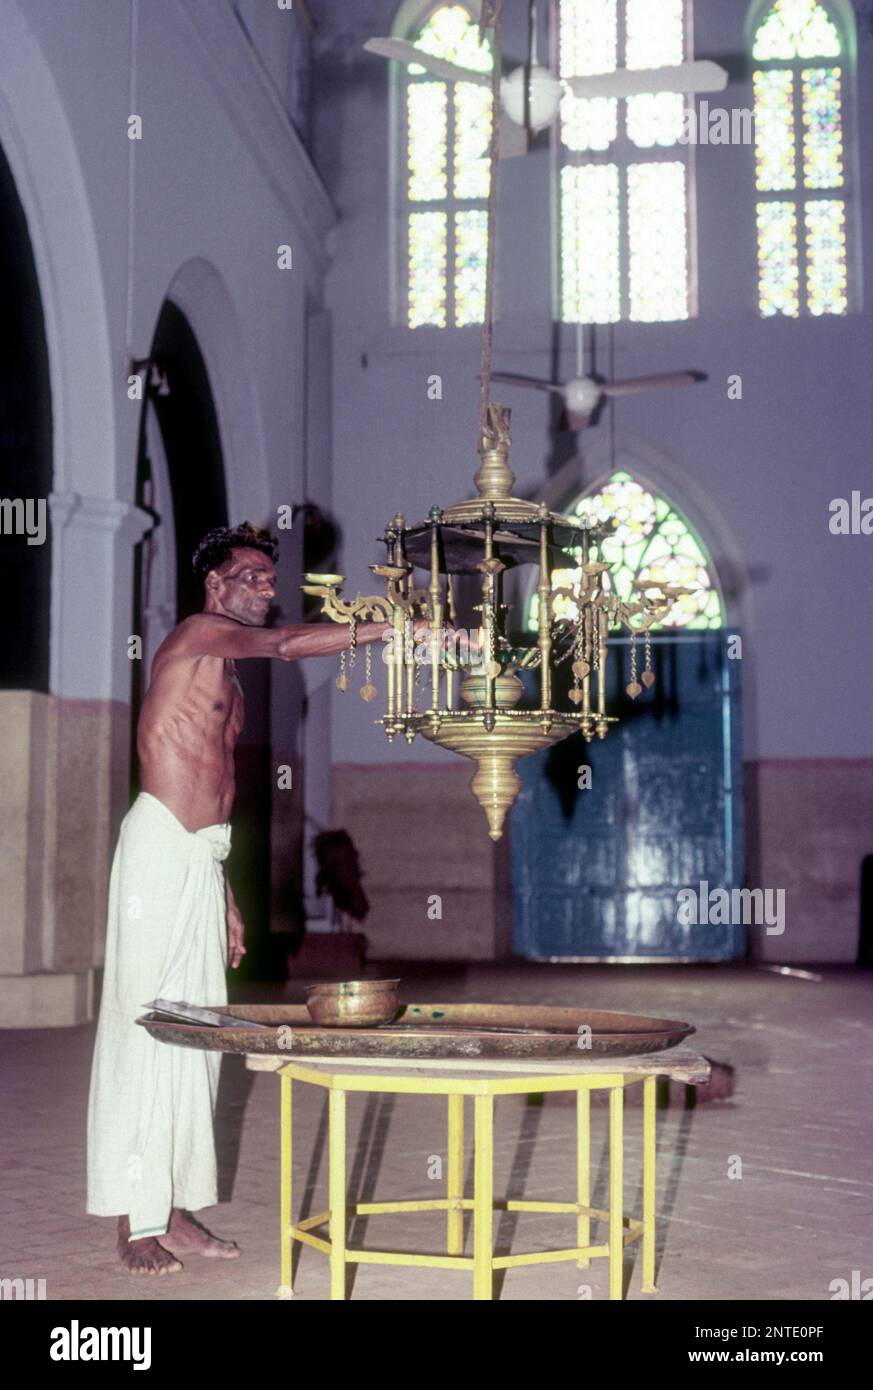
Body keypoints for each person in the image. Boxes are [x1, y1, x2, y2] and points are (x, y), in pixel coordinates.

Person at [86, 521, 401, 1274]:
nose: (265, 588)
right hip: (157, 850)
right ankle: (136, 1217)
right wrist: (392, 626)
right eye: (251, 576)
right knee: (145, 1022)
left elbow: (214, 790)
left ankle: (177, 1206)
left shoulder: (227, 679)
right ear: (214, 584)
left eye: (270, 578)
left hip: (197, 858)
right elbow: (291, 645)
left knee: (197, 1029)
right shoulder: (197, 635)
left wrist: (222, 890)